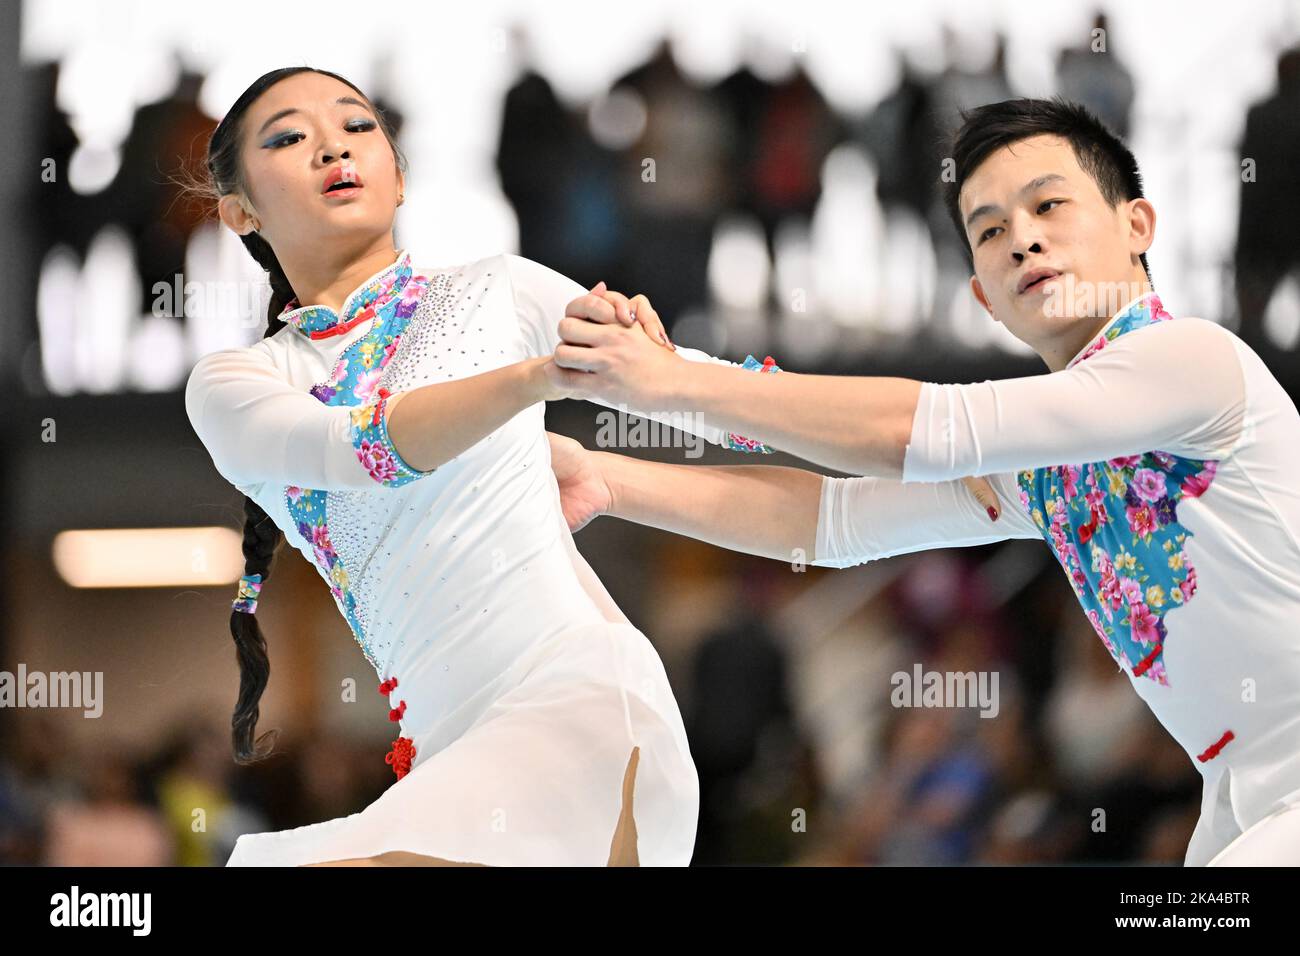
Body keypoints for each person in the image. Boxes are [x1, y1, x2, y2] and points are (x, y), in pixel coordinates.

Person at [546, 96, 1300, 866]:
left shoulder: (1192, 362)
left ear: (1137, 225)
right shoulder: (1049, 468)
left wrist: (671, 381)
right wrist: (607, 476)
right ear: (983, 296)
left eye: (1049, 204)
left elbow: (920, 432)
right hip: (1245, 806)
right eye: (991, 230)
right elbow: (830, 523)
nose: (1024, 240)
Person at [183, 65, 888, 867]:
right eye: (288, 138)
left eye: (356, 126)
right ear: (237, 208)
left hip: (576, 701)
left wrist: (967, 450)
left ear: (400, 174)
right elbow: (362, 449)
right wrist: (537, 377)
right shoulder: (238, 384)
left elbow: (718, 403)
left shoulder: (503, 291)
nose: (331, 149)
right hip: (453, 758)